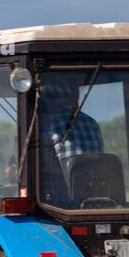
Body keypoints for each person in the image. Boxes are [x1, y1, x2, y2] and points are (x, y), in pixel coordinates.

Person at [38, 75, 103, 206]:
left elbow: (42, 164)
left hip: (62, 201)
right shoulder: (92, 123)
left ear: (54, 101)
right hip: (95, 196)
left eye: (47, 100)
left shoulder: (50, 124)